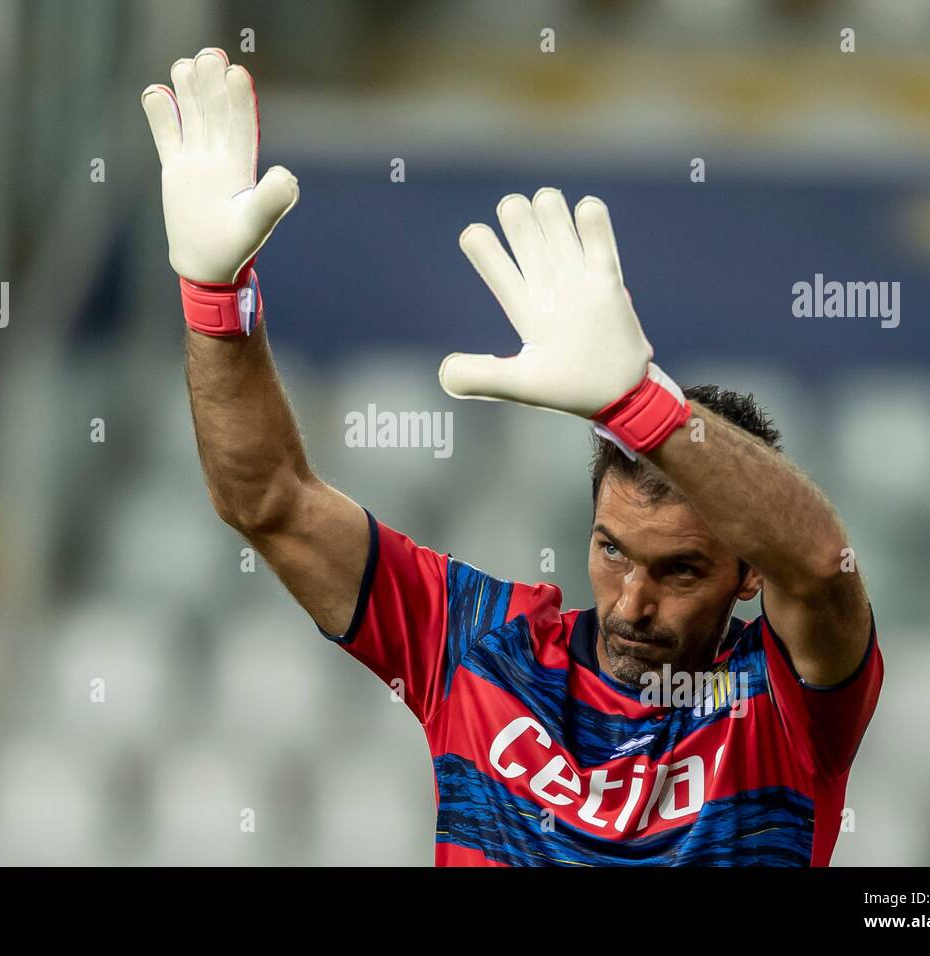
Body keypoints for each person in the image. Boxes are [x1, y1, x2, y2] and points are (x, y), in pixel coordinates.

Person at [142, 47, 883, 866]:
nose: (631, 602)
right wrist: (215, 300)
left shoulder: (785, 705)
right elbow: (270, 500)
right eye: (612, 551)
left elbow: (818, 564)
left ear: (748, 575)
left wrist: (641, 409)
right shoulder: (479, 648)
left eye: (679, 571)